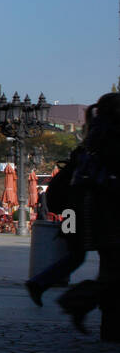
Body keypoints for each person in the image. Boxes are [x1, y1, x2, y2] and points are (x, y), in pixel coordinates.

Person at [55, 93, 120, 340]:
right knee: (113, 272)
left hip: (99, 213)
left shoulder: (95, 134)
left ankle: (109, 326)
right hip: (110, 212)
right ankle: (78, 302)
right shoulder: (112, 137)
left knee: (111, 269)